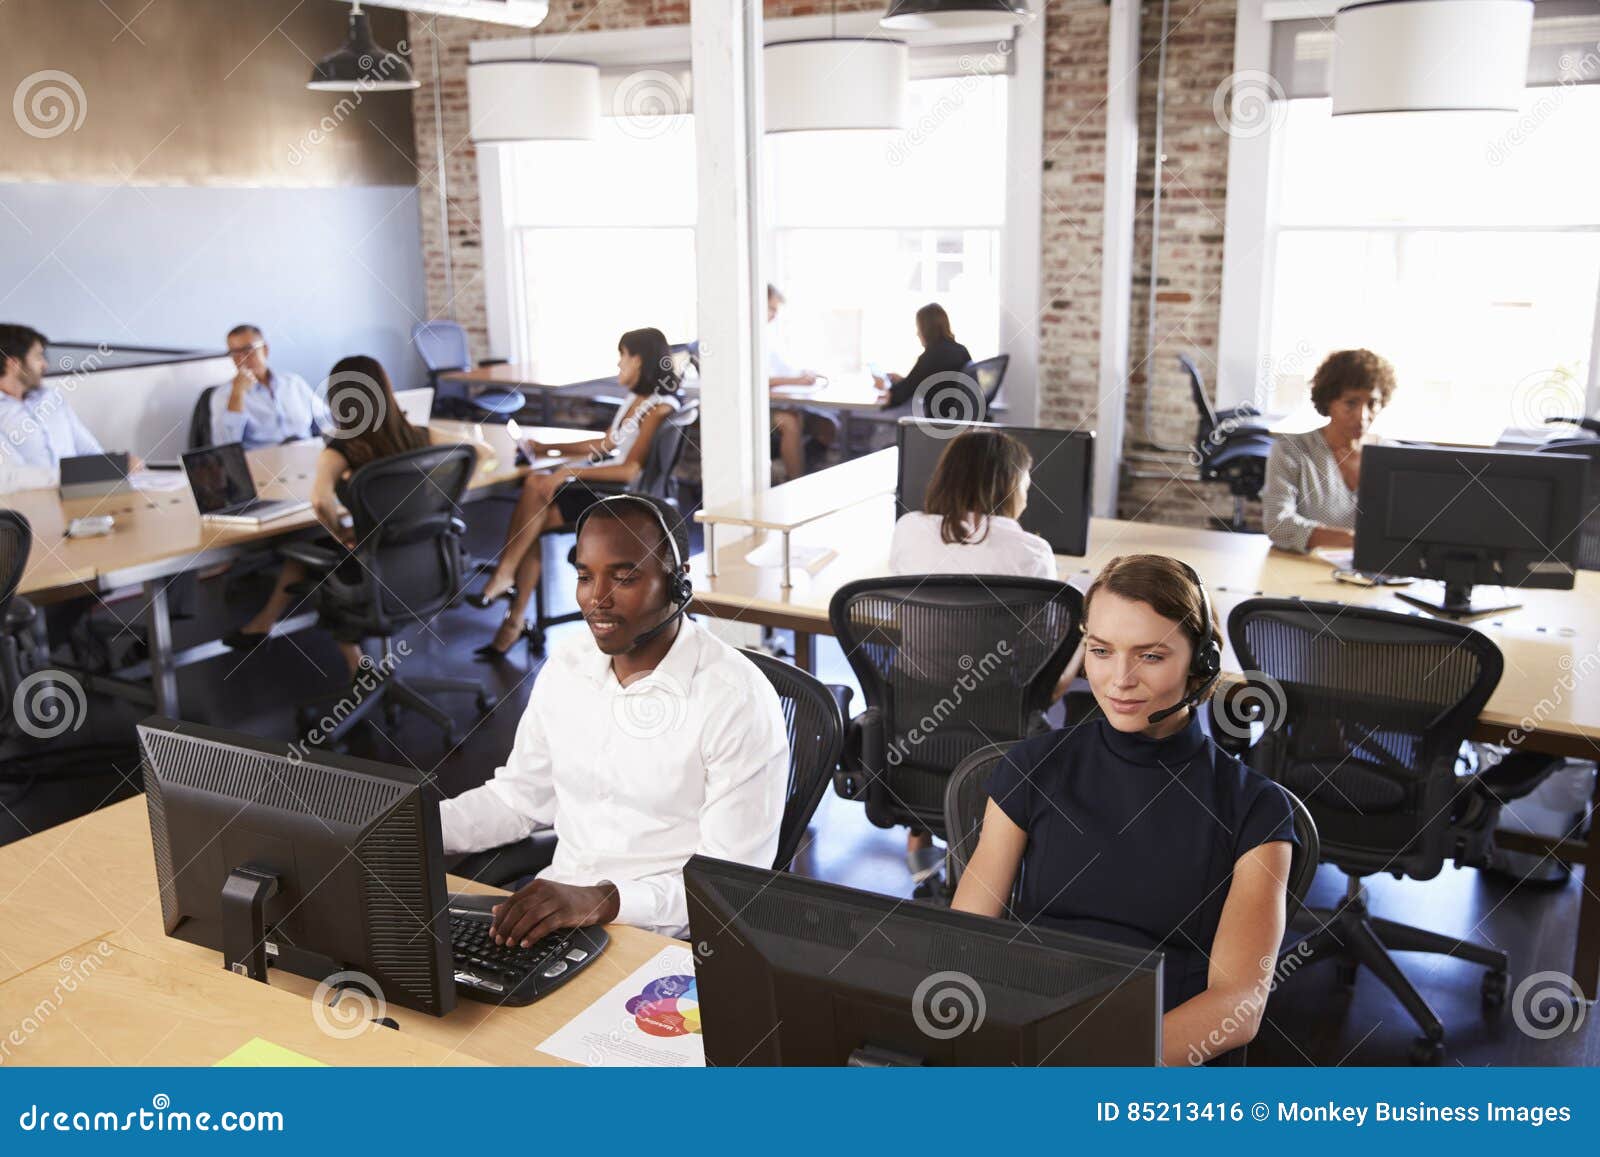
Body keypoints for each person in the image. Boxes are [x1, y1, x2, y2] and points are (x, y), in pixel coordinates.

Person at [951, 554, 1296, 1065]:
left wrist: (1092, 1062)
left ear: (1201, 664)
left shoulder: (1254, 809)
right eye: (1101, 651)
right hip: (1035, 1041)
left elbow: (1238, 1006)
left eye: (1151, 656)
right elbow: (967, 942)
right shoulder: (1032, 767)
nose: (1119, 679)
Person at [441, 494, 789, 943]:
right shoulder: (568, 664)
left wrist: (603, 900)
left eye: (624, 577)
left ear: (678, 584)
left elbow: (727, 890)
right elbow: (519, 799)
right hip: (553, 922)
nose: (596, 599)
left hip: (666, 938)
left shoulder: (735, 700)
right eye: (585, 576)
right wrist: (419, 825)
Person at [887, 428, 1062, 885]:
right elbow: (1039, 667)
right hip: (993, 730)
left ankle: (919, 833)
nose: (1028, 490)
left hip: (915, 725)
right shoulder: (1031, 552)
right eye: (1025, 480)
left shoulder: (908, 530)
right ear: (1006, 483)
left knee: (933, 669)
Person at [469, 327, 683, 659]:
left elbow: (629, 469)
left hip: (623, 497)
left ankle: (508, 592)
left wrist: (569, 471)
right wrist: (549, 447)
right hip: (609, 486)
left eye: (621, 358)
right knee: (536, 495)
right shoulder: (636, 401)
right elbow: (606, 445)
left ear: (638, 360)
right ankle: (509, 601)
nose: (618, 367)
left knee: (536, 492)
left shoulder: (659, 408)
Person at [221, 355, 429, 666]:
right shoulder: (418, 436)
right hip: (422, 556)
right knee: (315, 549)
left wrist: (340, 533)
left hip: (374, 564)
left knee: (316, 553)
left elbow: (320, 502)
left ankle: (355, 664)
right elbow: (475, 453)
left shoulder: (342, 448)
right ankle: (263, 624)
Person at [1262, 348, 1396, 553]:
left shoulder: (1392, 457)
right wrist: (1355, 540)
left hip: (1374, 574)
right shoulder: (1292, 451)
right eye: (1350, 403)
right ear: (1328, 401)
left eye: (1372, 403)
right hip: (1305, 572)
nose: (1362, 416)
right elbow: (1278, 524)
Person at [889, 429, 1055, 579]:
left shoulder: (908, 529)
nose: (1025, 502)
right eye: (1025, 488)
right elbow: (1049, 613)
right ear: (1009, 488)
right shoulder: (1034, 553)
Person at [0, 323, 111, 493]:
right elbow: (11, 477)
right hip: (32, 504)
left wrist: (117, 467)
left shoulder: (52, 399)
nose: (44, 364)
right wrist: (77, 476)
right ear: (14, 363)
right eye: (38, 357)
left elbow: (89, 450)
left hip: (80, 495)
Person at [211, 324, 326, 449]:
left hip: (308, 455)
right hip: (264, 463)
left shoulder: (293, 383)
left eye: (248, 350)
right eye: (235, 353)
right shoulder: (224, 395)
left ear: (265, 349)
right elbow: (226, 446)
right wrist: (237, 394)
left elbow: (325, 421)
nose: (242, 359)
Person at [766, 284, 837, 480]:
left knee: (827, 426)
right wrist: (796, 380)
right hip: (759, 410)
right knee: (790, 422)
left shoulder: (770, 336)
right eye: (771, 308)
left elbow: (782, 367)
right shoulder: (746, 338)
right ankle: (793, 479)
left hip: (782, 401)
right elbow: (758, 382)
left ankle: (804, 472)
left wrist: (802, 374)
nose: (774, 315)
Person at [874, 303, 971, 411]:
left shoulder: (931, 356)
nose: (917, 333)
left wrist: (883, 386)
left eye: (919, 327)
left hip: (940, 422)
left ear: (926, 329)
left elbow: (898, 396)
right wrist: (903, 380)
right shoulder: (961, 350)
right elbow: (923, 383)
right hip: (958, 419)